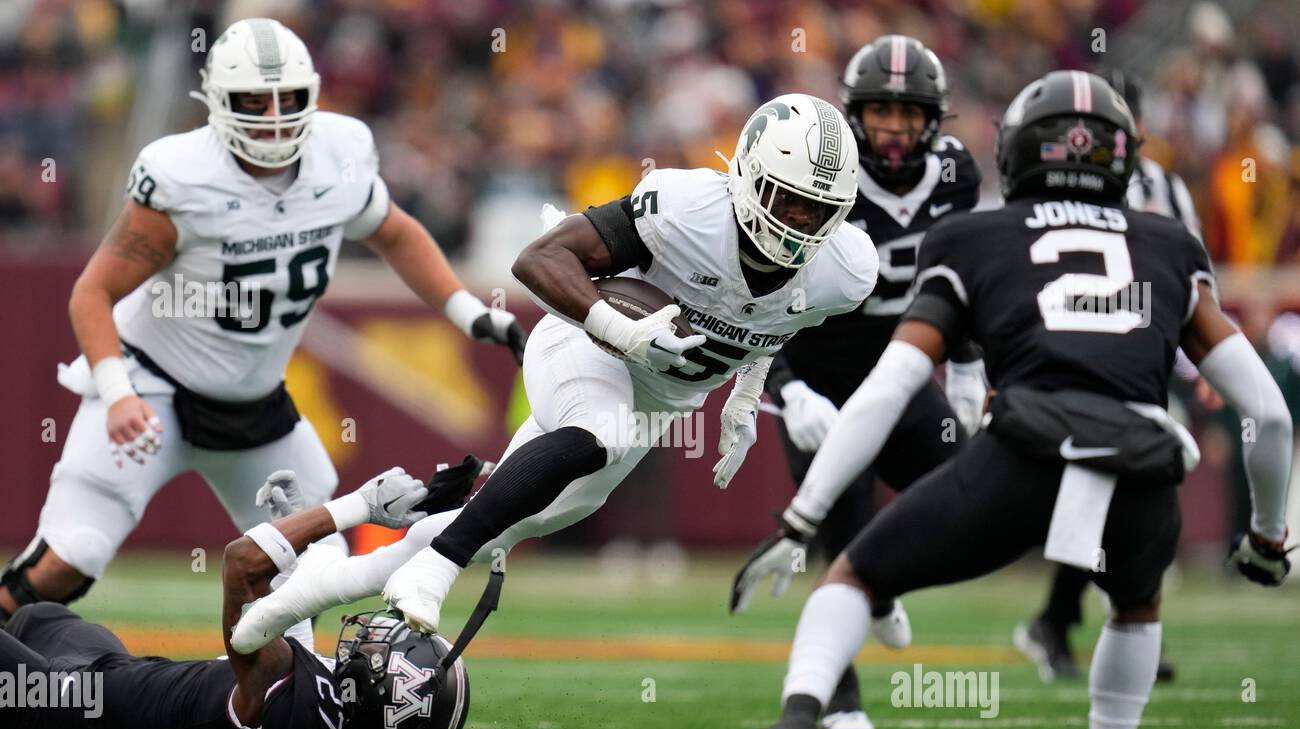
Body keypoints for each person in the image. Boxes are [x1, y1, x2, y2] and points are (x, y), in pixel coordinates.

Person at [697, 71, 1293, 729]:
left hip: (1023, 455)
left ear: (1014, 154)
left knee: (853, 576)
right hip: (1143, 471)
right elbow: (1270, 416)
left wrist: (803, 515)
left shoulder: (974, 238)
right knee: (1135, 608)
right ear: (1124, 159)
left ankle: (803, 718)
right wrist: (1269, 538)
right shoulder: (1169, 248)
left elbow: (889, 389)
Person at [229, 93, 880, 653]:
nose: (799, 222)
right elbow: (540, 259)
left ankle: (292, 602)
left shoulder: (845, 270)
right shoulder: (686, 208)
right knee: (603, 430)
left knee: (497, 524)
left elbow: (775, 319)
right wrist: (621, 329)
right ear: (745, 175)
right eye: (787, 201)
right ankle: (436, 570)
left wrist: (746, 395)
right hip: (587, 344)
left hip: (659, 404)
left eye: (817, 210)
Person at [0, 18, 525, 630]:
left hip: (257, 404)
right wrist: (116, 394)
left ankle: (289, 699)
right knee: (71, 557)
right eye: (254, 100)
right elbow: (92, 292)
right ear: (218, 102)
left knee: (313, 566)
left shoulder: (340, 154)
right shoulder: (184, 177)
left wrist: (471, 313)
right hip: (153, 389)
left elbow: (395, 233)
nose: (273, 117)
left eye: (288, 99)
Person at [751, 35, 984, 729]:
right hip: (816, 368)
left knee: (965, 495)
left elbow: (960, 273)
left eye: (908, 113)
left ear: (933, 118)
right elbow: (763, 291)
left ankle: (880, 588)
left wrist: (968, 362)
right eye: (880, 111)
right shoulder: (824, 173)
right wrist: (788, 389)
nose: (893, 127)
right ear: (856, 113)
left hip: (899, 365)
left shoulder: (955, 175)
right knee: (841, 525)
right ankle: (840, 693)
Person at [0, 464, 480, 729]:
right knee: (39, 615)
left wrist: (353, 508)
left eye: (380, 650)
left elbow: (241, 565)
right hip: (113, 677)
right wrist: (295, 559)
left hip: (70, 721)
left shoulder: (296, 709)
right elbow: (294, 656)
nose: (368, 638)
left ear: (379, 692)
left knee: (28, 636)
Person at [1013, 68, 1210, 683]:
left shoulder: (1167, 190)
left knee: (1126, 489)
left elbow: (1196, 282)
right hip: (1075, 351)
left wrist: (1204, 358)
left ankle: (1087, 620)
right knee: (1097, 486)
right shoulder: (1055, 186)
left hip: (1145, 357)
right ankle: (1103, 622)